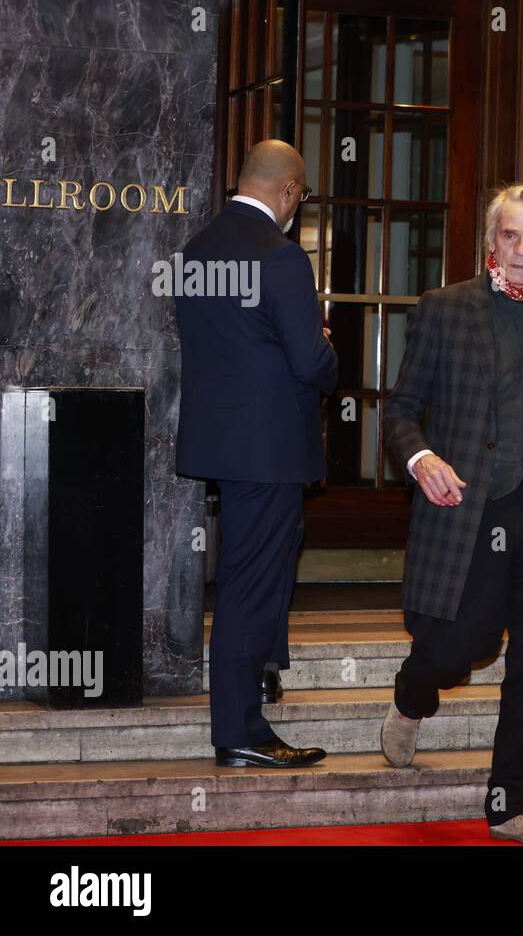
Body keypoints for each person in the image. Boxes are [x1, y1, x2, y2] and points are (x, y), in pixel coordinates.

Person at [379, 184, 523, 846]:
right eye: (510, 236)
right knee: (460, 642)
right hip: (472, 504)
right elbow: (400, 409)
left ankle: (510, 804)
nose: (522, 250)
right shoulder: (446, 309)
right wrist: (423, 459)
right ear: (489, 241)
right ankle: (413, 692)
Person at [174, 139, 336, 767]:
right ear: (290, 190)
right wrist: (327, 345)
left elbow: (229, 349)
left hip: (223, 446)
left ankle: (262, 677)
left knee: (248, 576)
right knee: (250, 585)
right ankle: (241, 730)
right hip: (270, 450)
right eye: (301, 196)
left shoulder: (196, 252)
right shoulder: (283, 257)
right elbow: (309, 363)